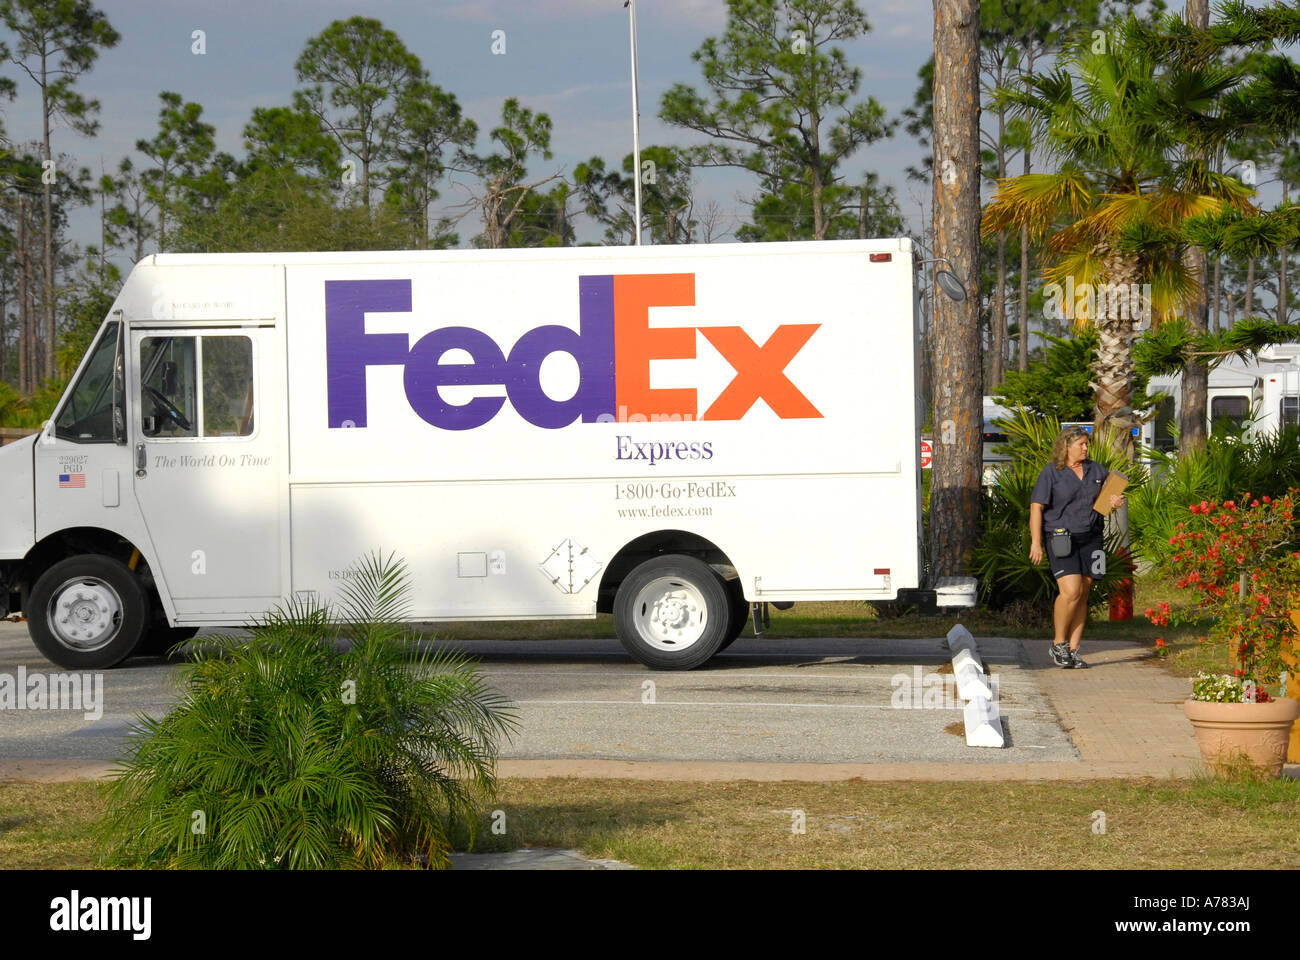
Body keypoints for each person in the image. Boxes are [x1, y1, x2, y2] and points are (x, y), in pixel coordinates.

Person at [1028, 426, 1124, 669]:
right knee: (1070, 591)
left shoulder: (1096, 470)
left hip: (1092, 537)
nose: (1085, 448)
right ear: (1066, 447)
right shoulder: (1051, 473)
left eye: (1086, 444)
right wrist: (1036, 542)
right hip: (1061, 537)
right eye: (1080, 444)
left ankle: (1073, 649)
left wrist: (1115, 501)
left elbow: (1106, 501)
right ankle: (1058, 643)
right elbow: (1036, 508)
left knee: (1083, 593)